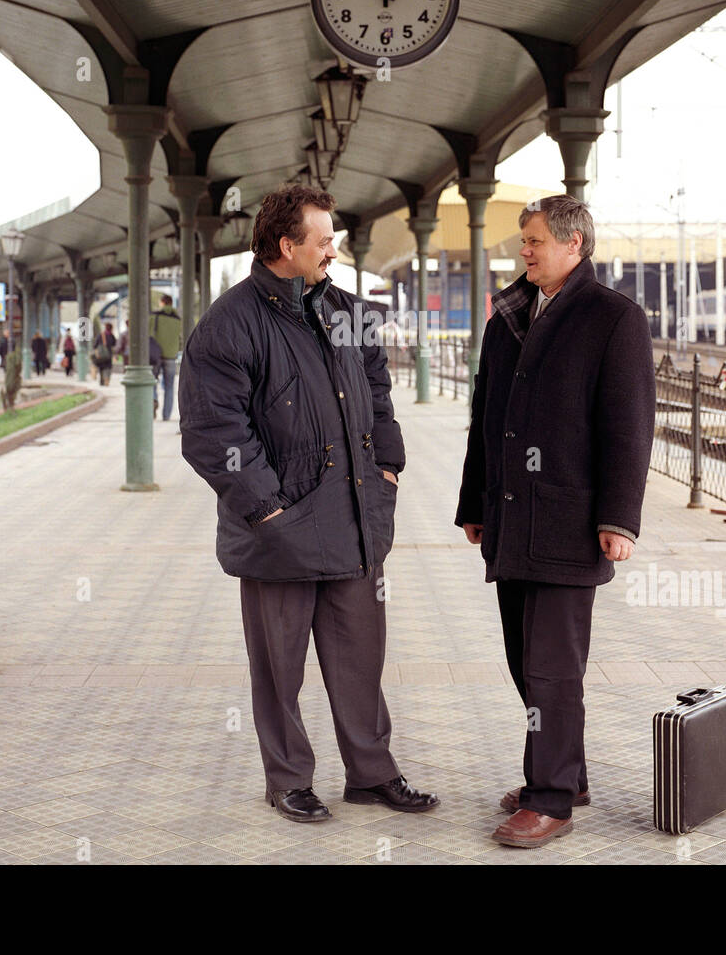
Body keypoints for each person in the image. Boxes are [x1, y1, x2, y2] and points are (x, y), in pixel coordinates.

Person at [179, 184, 438, 824]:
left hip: (355, 523)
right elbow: (213, 435)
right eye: (323, 240)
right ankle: (288, 779)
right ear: (285, 245)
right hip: (278, 536)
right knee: (279, 672)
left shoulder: (351, 312)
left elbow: (378, 396)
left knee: (360, 662)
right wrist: (268, 511)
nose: (334, 250)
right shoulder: (227, 325)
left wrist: (388, 470)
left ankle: (372, 775)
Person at [455, 194, 655, 850]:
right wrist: (473, 505)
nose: (525, 250)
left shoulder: (614, 318)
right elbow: (486, 419)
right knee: (523, 659)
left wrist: (620, 519)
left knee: (551, 668)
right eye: (524, 240)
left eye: (536, 240)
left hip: (569, 523)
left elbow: (628, 427)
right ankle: (569, 774)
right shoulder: (510, 317)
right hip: (513, 519)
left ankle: (550, 799)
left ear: (574, 245)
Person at [149, 292, 183, 421]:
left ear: (162, 303)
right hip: (171, 357)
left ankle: (153, 399)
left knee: (152, 382)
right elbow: (180, 339)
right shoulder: (177, 319)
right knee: (169, 387)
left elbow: (148, 333)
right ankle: (166, 415)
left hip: (155, 355)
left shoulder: (155, 316)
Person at [93, 322, 116, 386]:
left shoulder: (101, 335)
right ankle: (107, 379)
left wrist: (97, 353)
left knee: (101, 368)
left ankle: (102, 381)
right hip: (108, 355)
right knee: (108, 368)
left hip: (101, 355)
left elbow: (95, 345)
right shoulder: (112, 335)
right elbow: (114, 344)